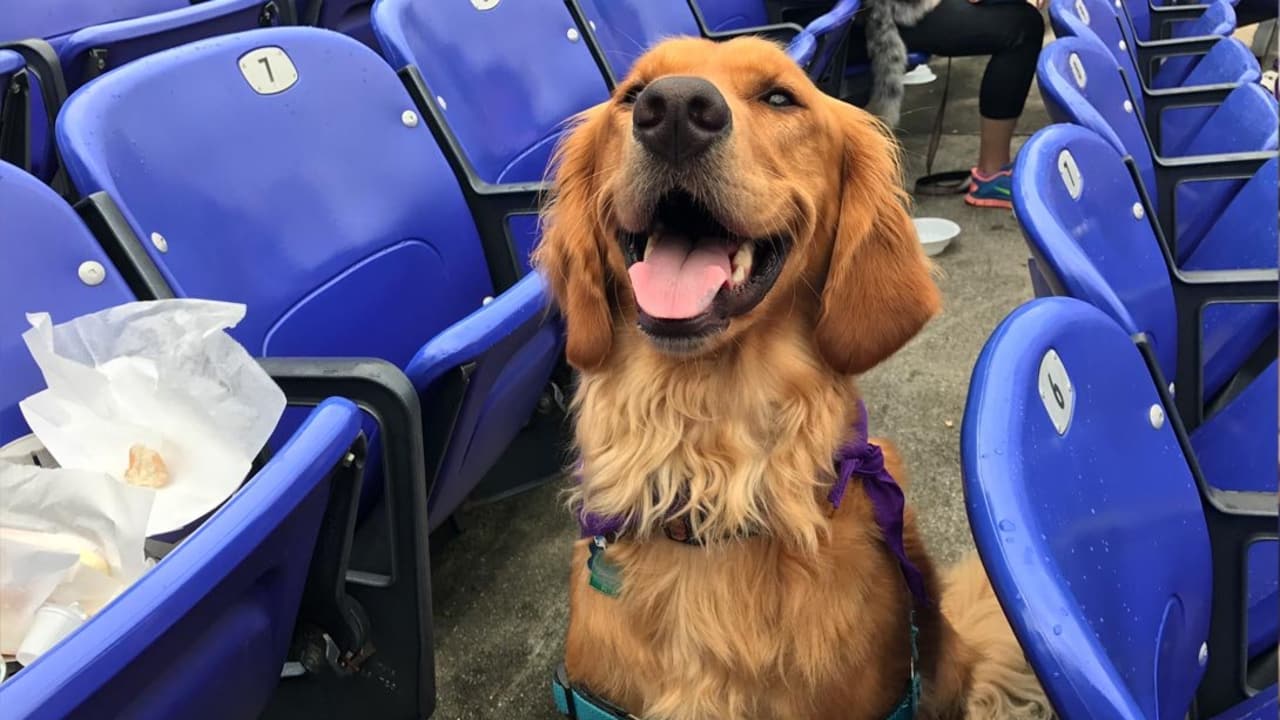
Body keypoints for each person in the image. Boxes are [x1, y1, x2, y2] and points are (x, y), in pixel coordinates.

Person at [774, 0, 1047, 209]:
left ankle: (993, 171)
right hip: (852, 19)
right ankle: (992, 174)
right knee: (1020, 28)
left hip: (867, 12)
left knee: (1020, 18)